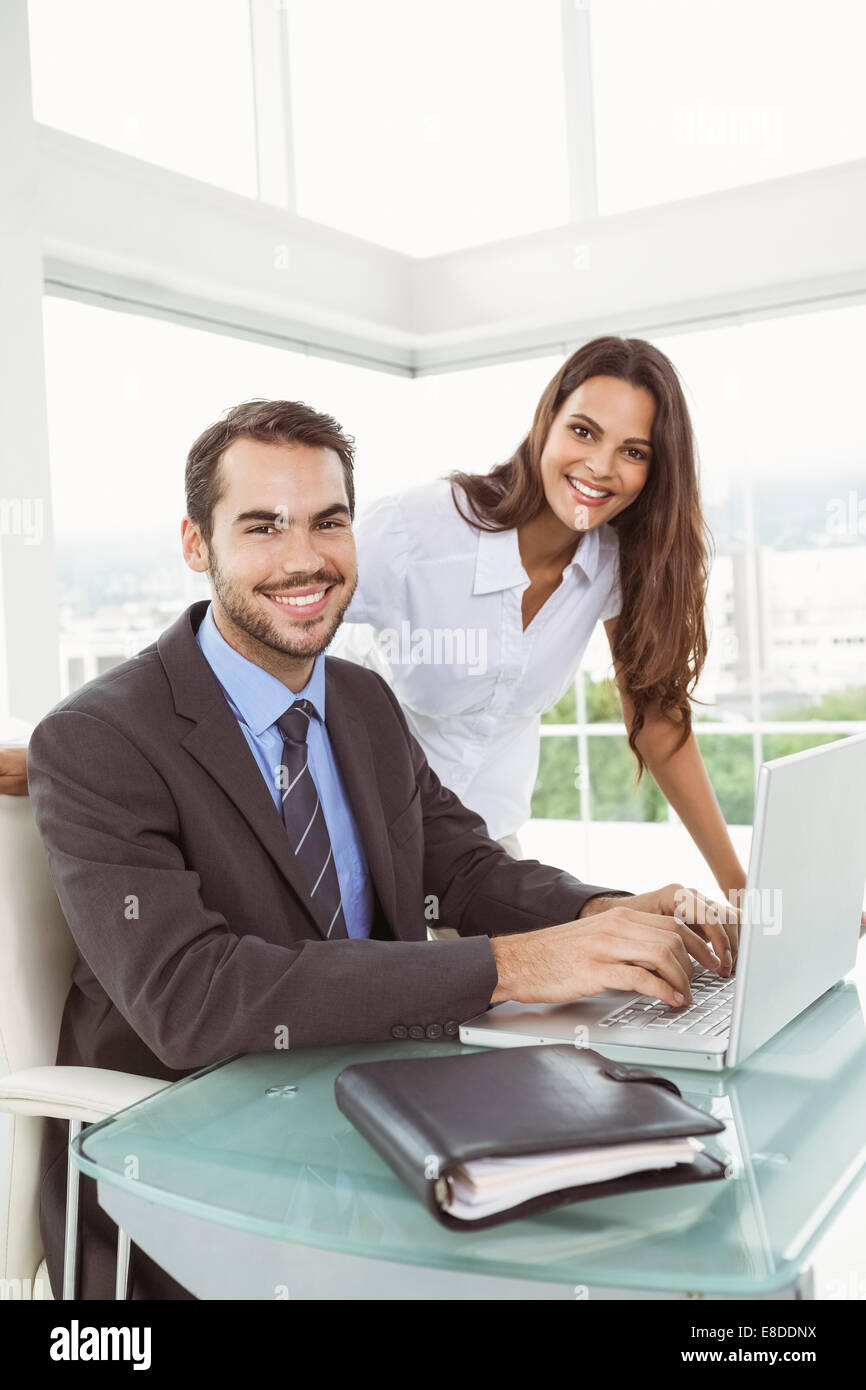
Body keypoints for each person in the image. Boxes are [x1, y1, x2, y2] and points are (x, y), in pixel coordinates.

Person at [25, 399, 736, 1298]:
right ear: (196, 545)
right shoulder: (100, 740)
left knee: (657, 1244)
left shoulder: (361, 702)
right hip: (190, 1186)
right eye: (262, 525)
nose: (304, 558)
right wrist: (515, 966)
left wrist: (601, 913)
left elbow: (464, 868)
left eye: (329, 521)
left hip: (372, 1119)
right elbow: (191, 999)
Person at [337, 336, 747, 900]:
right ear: (546, 423)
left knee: (565, 983)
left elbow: (657, 720)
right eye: (583, 431)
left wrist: (743, 890)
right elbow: (284, 637)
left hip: (484, 858)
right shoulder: (415, 530)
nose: (599, 467)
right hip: (358, 843)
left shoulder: (614, 563)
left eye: (634, 452)